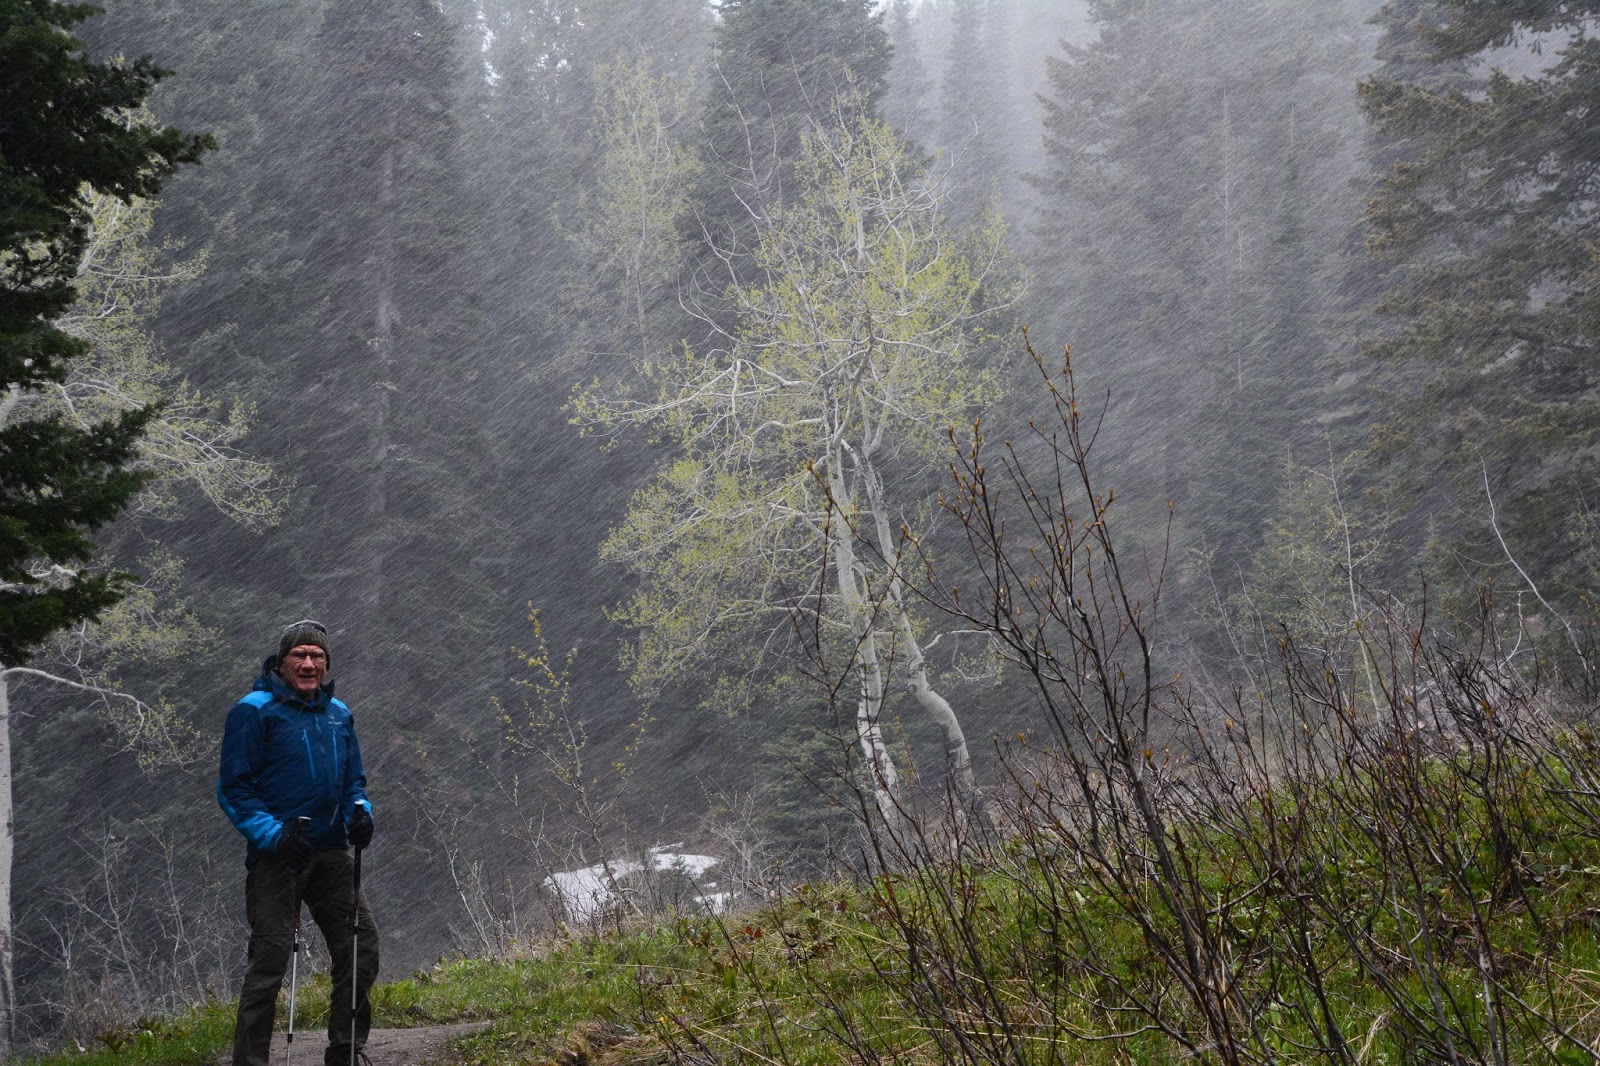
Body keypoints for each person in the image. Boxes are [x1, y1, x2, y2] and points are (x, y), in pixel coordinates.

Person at [217, 620, 379, 1066]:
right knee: (269, 962)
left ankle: (346, 1051)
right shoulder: (253, 711)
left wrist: (360, 813)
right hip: (276, 857)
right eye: (299, 655)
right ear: (282, 662)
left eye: (317, 656)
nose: (309, 664)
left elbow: (353, 782)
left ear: (326, 664)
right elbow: (234, 789)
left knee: (361, 947)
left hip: (330, 852)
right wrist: (274, 836)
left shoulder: (339, 714)